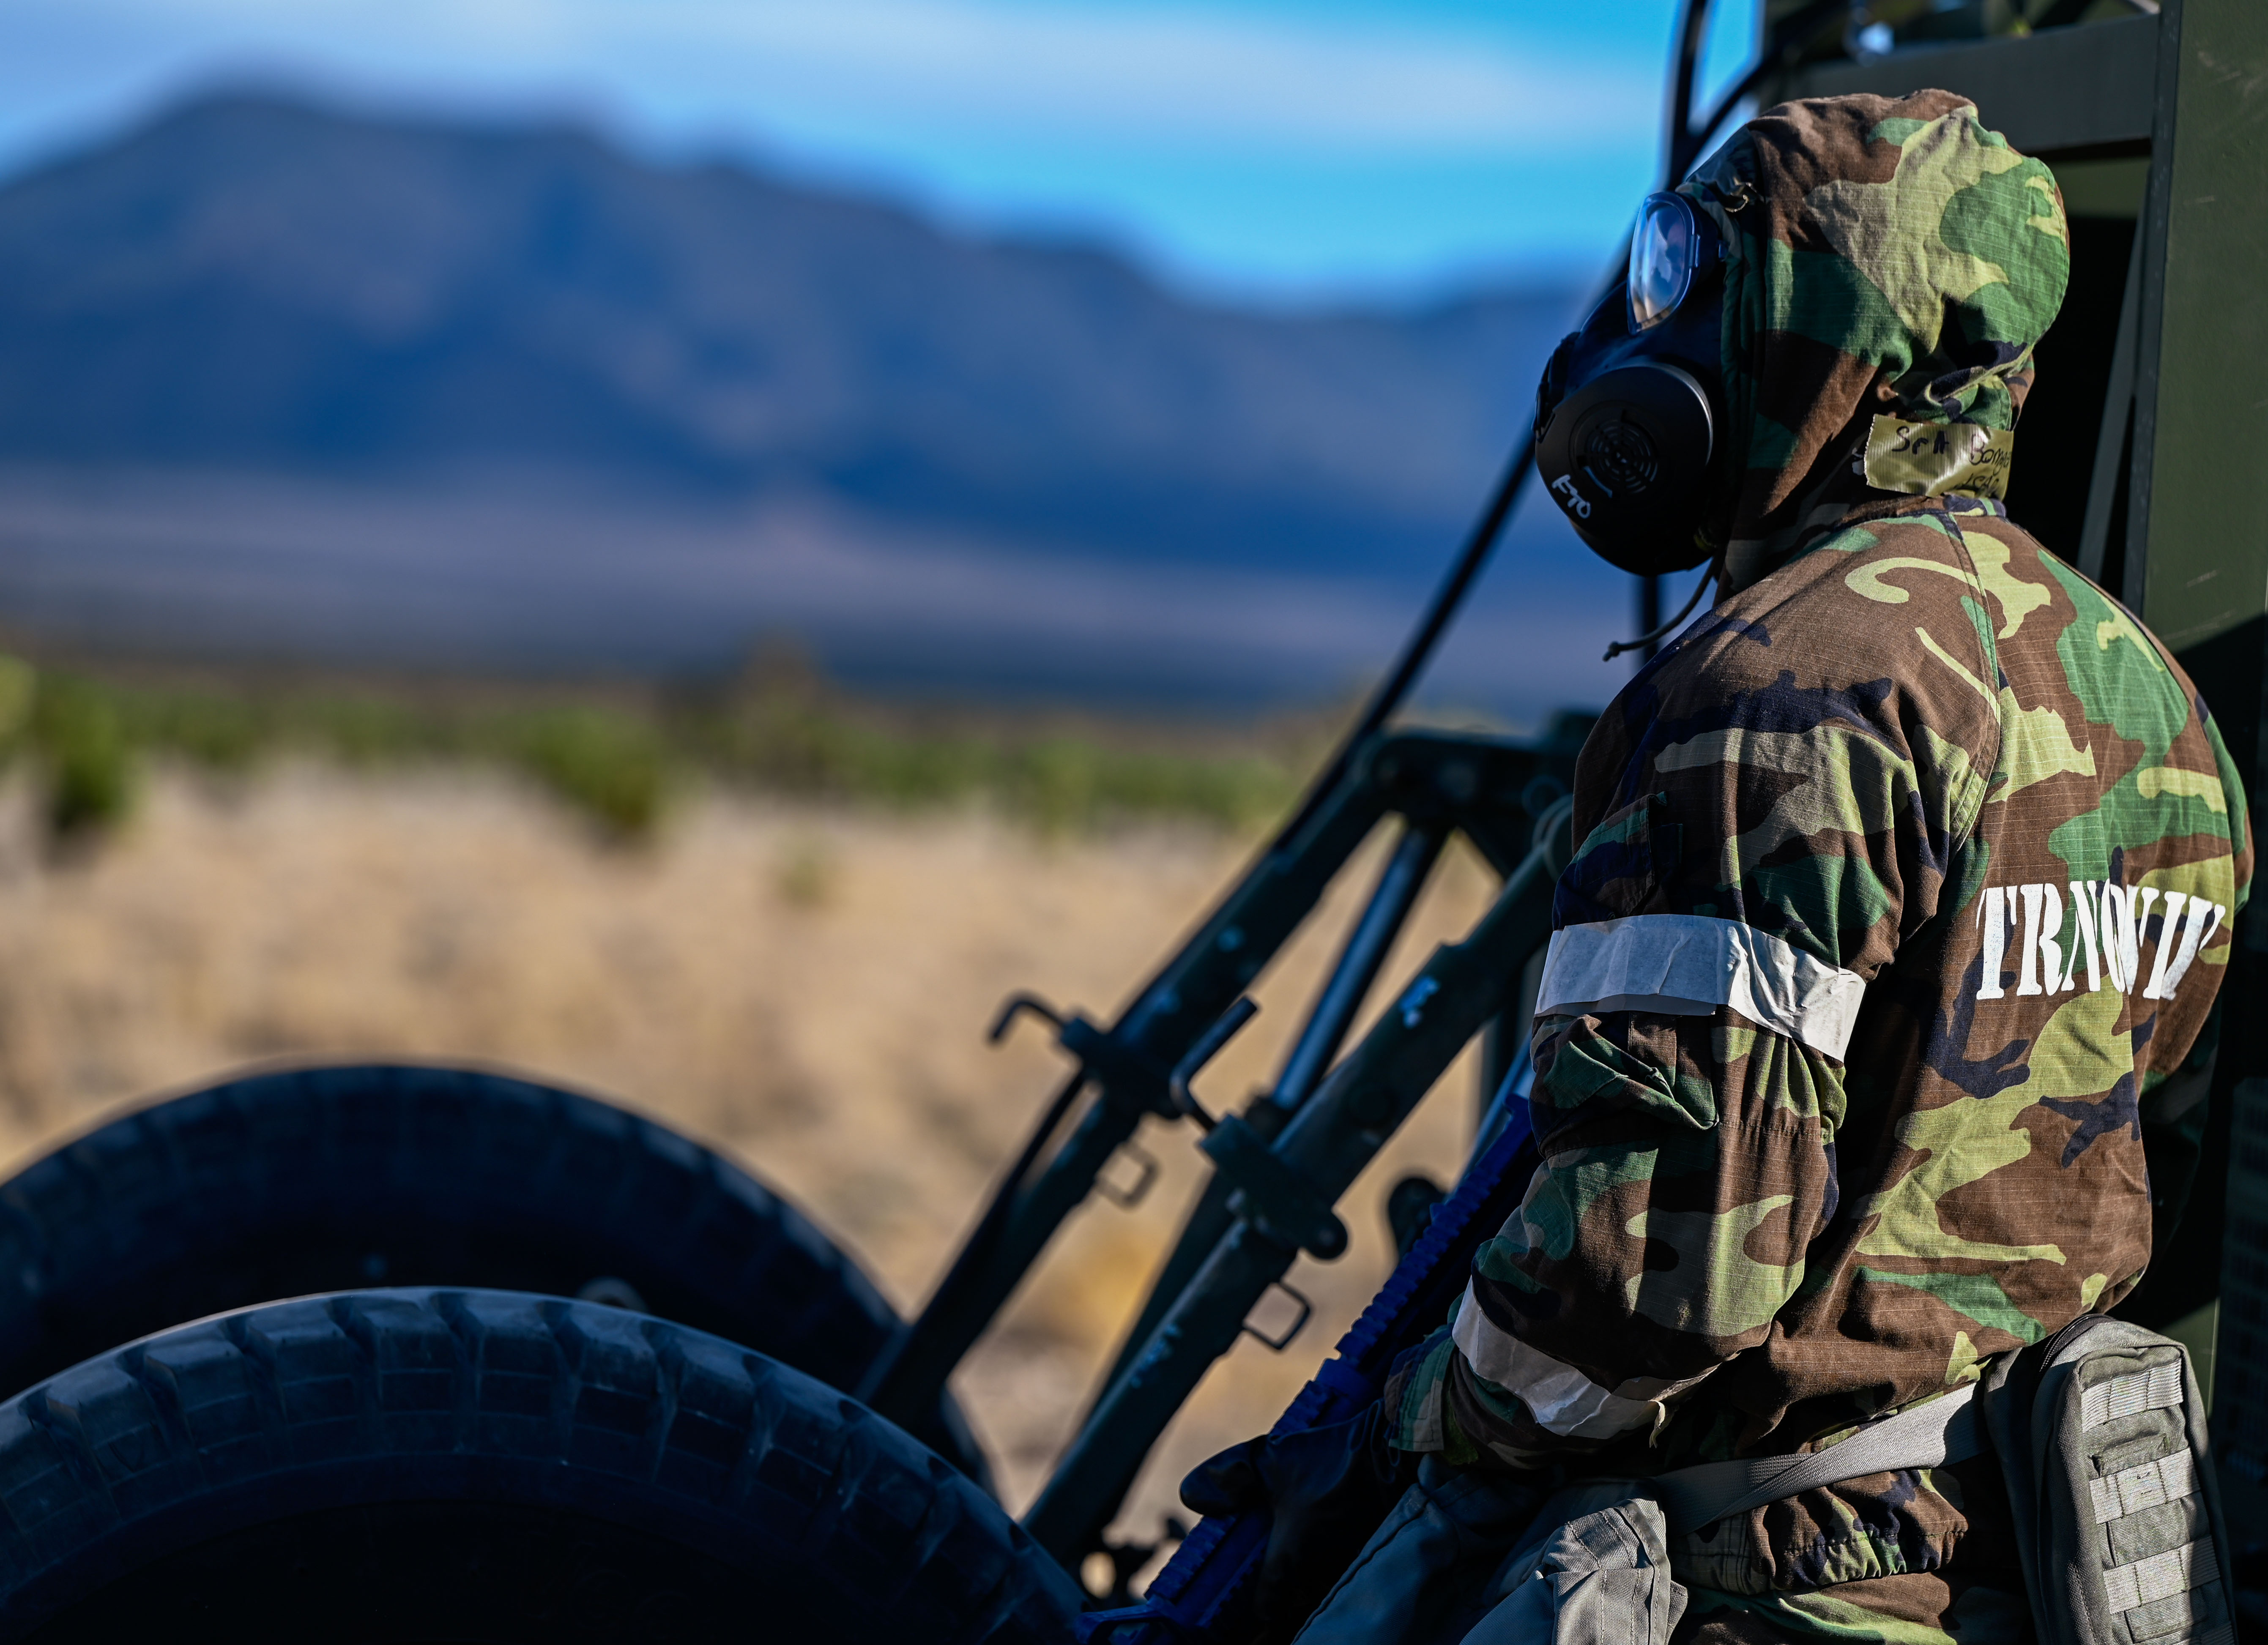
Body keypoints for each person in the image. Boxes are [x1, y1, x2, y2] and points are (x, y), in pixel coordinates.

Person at [1184, 88, 2254, 1644]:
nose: (1656, 334)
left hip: (1765, 1587)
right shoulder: (2152, 699)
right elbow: (2128, 1139)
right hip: (2041, 1574)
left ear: (1823, 333)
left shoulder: (1770, 697)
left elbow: (1647, 1279)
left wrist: (1398, 1426)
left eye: (1704, 279)